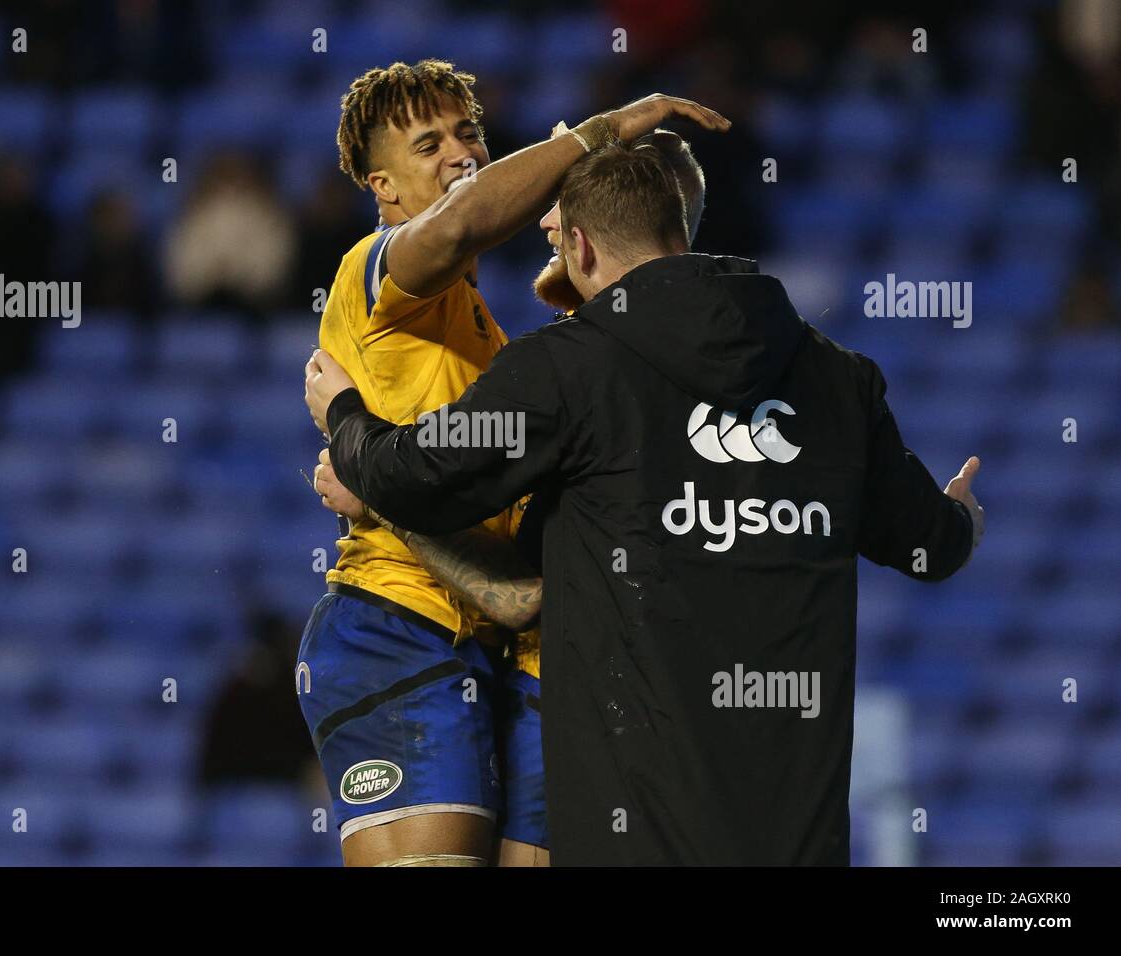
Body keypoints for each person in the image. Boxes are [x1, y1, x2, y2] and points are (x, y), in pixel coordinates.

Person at [306, 140, 985, 865]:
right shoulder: (841, 381)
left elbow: (417, 475)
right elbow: (930, 546)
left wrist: (346, 418)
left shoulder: (568, 368)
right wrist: (961, 519)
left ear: (584, 247)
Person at [295, 58, 729, 867]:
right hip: (398, 623)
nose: (462, 153)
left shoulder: (497, 340)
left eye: (469, 134)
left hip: (503, 643)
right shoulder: (372, 272)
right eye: (429, 146)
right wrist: (597, 133)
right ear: (383, 188)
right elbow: (461, 225)